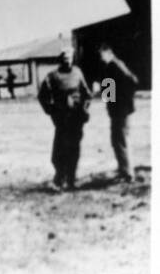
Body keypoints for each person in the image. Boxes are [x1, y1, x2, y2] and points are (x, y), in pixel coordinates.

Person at [37, 48, 91, 190]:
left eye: (70, 57)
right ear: (60, 59)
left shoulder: (78, 72)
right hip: (61, 118)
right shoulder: (52, 76)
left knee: (74, 148)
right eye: (65, 57)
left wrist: (84, 108)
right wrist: (51, 110)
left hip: (76, 117)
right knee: (59, 150)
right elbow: (42, 96)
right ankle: (60, 176)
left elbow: (87, 93)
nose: (68, 60)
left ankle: (71, 178)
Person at [97, 45, 139, 183]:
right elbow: (133, 81)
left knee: (119, 141)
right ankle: (124, 171)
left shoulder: (111, 66)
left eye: (101, 54)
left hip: (119, 111)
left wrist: (100, 89)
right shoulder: (120, 64)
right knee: (120, 140)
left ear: (108, 53)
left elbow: (107, 93)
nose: (101, 58)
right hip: (123, 109)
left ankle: (127, 173)